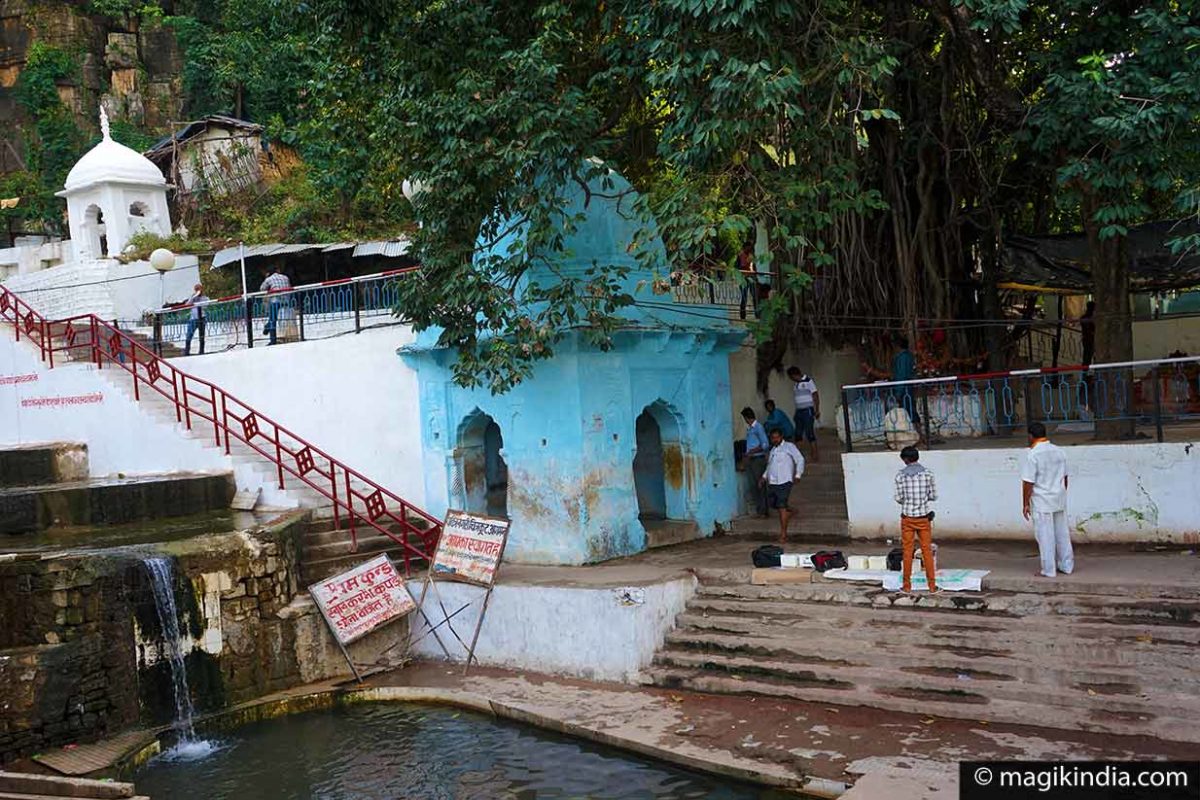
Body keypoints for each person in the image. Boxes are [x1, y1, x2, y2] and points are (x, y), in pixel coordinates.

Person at [1021, 421, 1074, 578]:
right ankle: (1067, 565)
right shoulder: (1059, 451)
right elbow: (1065, 478)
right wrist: (1061, 493)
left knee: (1045, 536)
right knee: (1062, 534)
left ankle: (1048, 570)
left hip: (1042, 501)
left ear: (1030, 436)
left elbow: (1028, 482)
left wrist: (1025, 503)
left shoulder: (1033, 455)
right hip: (1059, 498)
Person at [893, 446, 939, 593]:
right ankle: (932, 587)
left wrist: (908, 501)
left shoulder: (900, 476)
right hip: (924, 518)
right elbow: (934, 496)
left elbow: (899, 498)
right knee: (926, 551)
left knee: (907, 552)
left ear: (906, 459)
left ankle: (906, 586)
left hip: (907, 518)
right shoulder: (928, 474)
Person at [762, 428, 804, 543]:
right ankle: (789, 512)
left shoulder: (789, 447)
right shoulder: (772, 450)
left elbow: (800, 459)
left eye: (777, 437)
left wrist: (798, 474)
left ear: (781, 437)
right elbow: (769, 465)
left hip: (784, 481)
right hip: (773, 482)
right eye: (773, 438)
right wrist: (764, 477)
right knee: (774, 504)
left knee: (781, 507)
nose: (775, 440)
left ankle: (783, 534)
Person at [786, 366, 820, 462]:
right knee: (798, 432)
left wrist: (817, 410)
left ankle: (815, 454)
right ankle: (797, 454)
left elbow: (815, 395)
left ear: (795, 375)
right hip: (799, 410)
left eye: (791, 377)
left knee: (809, 432)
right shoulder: (796, 384)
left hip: (807, 410)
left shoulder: (808, 381)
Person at [742, 407, 769, 517]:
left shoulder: (758, 428)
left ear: (747, 417)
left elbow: (765, 445)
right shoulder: (750, 429)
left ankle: (764, 509)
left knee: (760, 485)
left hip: (758, 459)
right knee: (753, 485)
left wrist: (751, 452)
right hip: (751, 459)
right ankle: (760, 509)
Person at [260, 267, 292, 345]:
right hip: (286, 300)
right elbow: (289, 287)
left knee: (272, 320)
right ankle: (267, 327)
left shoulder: (269, 279)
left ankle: (273, 340)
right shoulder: (285, 277)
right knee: (273, 319)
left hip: (276, 301)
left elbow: (262, 289)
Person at [184, 283, 208, 356]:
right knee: (189, 334)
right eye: (196, 289)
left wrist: (199, 298)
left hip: (202, 317)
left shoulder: (205, 298)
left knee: (202, 335)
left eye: (199, 289)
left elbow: (205, 306)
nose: (198, 290)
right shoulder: (193, 297)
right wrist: (193, 297)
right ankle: (187, 351)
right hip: (193, 318)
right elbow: (187, 305)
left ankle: (201, 350)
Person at [736, 243, 757, 320]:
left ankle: (757, 314)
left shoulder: (751, 255)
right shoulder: (740, 256)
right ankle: (742, 315)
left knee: (754, 296)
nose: (749, 249)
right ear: (745, 248)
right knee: (744, 297)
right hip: (743, 278)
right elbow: (738, 267)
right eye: (748, 247)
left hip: (751, 277)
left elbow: (754, 266)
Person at [1080, 301, 1095, 366]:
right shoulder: (1089, 318)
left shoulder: (1084, 317)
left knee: (1087, 354)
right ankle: (1086, 368)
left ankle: (1086, 368)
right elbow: (1089, 328)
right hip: (1089, 338)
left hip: (1086, 338)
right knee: (1088, 354)